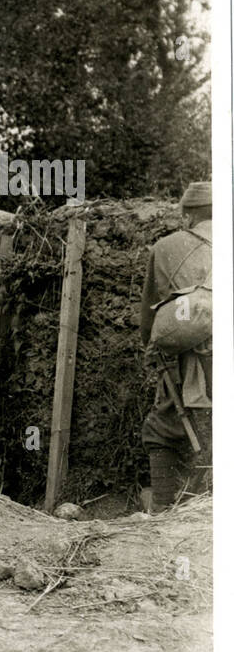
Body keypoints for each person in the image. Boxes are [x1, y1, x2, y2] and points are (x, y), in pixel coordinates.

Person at [140, 180, 213, 510]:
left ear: (188, 217)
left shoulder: (165, 248)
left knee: (161, 429)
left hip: (185, 361)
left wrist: (152, 352)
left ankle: (163, 509)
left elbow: (149, 320)